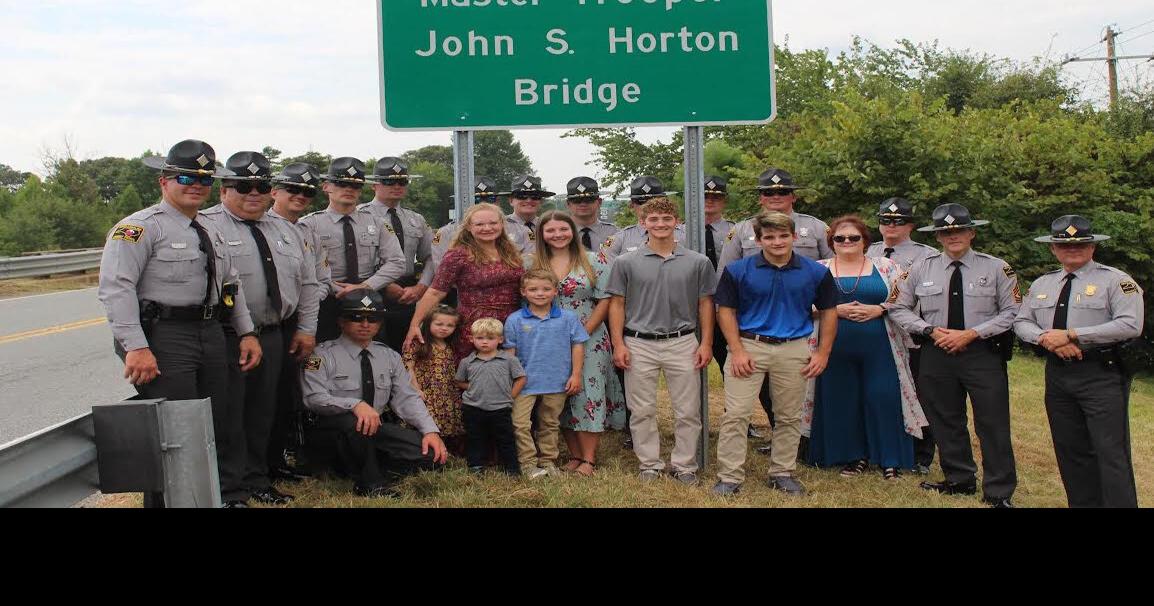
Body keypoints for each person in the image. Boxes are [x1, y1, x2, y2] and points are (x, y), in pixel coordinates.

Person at [97, 139, 263, 508]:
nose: (196, 185)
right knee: (171, 431)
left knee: (213, 423)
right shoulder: (138, 229)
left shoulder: (210, 228)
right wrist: (136, 347)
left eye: (204, 179)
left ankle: (209, 498)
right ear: (164, 181)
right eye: (186, 177)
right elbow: (116, 289)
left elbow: (230, 286)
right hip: (164, 335)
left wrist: (247, 332)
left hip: (209, 332)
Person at [200, 151, 322, 506]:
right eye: (243, 185)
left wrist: (306, 329)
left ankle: (259, 476)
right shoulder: (207, 226)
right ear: (224, 190)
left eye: (262, 185)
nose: (253, 193)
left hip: (275, 331)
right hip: (227, 336)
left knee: (265, 411)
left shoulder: (287, 230)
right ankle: (230, 486)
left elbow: (309, 285)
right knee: (230, 414)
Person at [888, 203, 1021, 508]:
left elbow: (1013, 312)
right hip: (936, 351)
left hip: (983, 353)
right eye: (946, 232)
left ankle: (999, 492)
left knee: (992, 422)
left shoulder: (998, 268)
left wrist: (973, 333)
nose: (953, 236)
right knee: (945, 419)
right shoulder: (921, 268)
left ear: (972, 232)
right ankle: (959, 479)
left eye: (959, 230)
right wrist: (929, 330)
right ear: (938, 237)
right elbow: (897, 307)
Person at [1014, 215, 1144, 508]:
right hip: (1058, 376)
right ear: (1053, 249)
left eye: (1081, 244)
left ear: (1092, 246)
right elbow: (1022, 322)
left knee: (1111, 452)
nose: (1073, 250)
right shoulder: (1042, 284)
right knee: (1070, 450)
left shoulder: (1117, 281)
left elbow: (1130, 325)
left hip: (1101, 374)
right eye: (1064, 245)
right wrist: (1046, 339)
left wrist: (1073, 335)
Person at [711, 211, 838, 497]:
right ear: (758, 240)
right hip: (749, 346)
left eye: (783, 236)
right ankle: (729, 477)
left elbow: (830, 313)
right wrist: (737, 349)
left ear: (794, 236)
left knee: (789, 415)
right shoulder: (738, 270)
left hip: (794, 347)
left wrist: (822, 353)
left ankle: (782, 473)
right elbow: (726, 311)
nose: (777, 242)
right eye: (769, 237)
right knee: (737, 414)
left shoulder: (815, 272)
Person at [806, 216, 927, 480]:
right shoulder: (817, 269)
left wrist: (880, 308)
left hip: (881, 346)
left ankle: (890, 458)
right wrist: (834, 310)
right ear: (832, 243)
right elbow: (801, 305)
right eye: (840, 238)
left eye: (853, 238)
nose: (847, 242)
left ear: (865, 241)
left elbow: (908, 300)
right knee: (843, 400)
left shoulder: (887, 267)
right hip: (833, 348)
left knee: (883, 397)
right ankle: (853, 456)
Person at [606, 197, 715, 486]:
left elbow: (706, 304)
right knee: (642, 409)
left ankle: (685, 465)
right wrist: (619, 344)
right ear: (643, 224)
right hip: (639, 341)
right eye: (653, 219)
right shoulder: (625, 262)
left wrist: (705, 343)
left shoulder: (698, 262)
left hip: (682, 340)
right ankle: (650, 464)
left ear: (677, 222)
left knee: (688, 409)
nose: (660, 224)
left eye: (666, 219)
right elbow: (616, 304)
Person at [300, 290, 447, 498]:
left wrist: (430, 431)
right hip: (333, 432)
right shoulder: (320, 355)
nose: (365, 324)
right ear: (341, 321)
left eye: (373, 318)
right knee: (353, 422)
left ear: (380, 324)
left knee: (430, 456)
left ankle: (361, 467)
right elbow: (312, 398)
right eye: (356, 317)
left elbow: (407, 398)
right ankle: (371, 483)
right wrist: (355, 405)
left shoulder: (389, 356)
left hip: (373, 430)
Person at [529, 210, 626, 476]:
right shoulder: (533, 264)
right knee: (559, 395)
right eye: (550, 230)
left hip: (589, 336)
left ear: (572, 231)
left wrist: (583, 331)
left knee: (587, 394)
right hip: (548, 340)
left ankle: (589, 459)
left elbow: (605, 299)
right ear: (542, 235)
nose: (557, 234)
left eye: (563, 229)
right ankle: (573, 454)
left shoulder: (594, 260)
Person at [866, 197, 939, 473]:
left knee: (919, 393)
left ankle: (921, 454)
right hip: (874, 333)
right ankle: (880, 445)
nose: (891, 226)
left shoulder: (927, 255)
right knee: (882, 391)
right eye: (885, 220)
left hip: (910, 333)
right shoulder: (868, 249)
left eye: (898, 221)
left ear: (911, 225)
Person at [266, 162, 329, 481]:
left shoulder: (309, 232)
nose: (300, 196)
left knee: (287, 395)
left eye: (307, 191)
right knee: (262, 400)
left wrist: (307, 317)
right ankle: (260, 466)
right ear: (274, 191)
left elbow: (321, 279)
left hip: (299, 322)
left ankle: (280, 461)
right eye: (293, 189)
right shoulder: (262, 225)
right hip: (264, 326)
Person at [299, 157, 405, 342]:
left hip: (369, 299)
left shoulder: (378, 223)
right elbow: (304, 267)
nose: (349, 189)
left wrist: (365, 286)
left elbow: (397, 262)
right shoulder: (309, 224)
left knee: (372, 354)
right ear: (326, 187)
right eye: (341, 183)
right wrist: (334, 288)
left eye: (355, 186)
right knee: (323, 354)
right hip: (327, 300)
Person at [406, 203, 526, 360]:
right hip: (475, 328)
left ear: (502, 224)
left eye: (493, 223)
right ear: (469, 227)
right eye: (480, 224)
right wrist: (415, 325)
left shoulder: (510, 252)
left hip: (512, 325)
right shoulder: (458, 256)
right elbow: (435, 292)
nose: (487, 228)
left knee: (512, 374)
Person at [503, 269, 589, 478]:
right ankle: (528, 463)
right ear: (523, 292)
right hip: (524, 383)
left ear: (555, 291)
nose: (539, 293)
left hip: (556, 381)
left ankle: (547, 461)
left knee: (550, 423)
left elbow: (577, 346)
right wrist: (509, 380)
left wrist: (575, 374)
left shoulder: (567, 318)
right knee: (520, 423)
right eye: (533, 289)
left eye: (545, 289)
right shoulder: (514, 320)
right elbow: (509, 353)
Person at [361, 158, 433, 353]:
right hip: (372, 291)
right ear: (374, 185)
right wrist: (385, 284)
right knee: (373, 350)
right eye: (389, 182)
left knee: (409, 351)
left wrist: (421, 286)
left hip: (410, 293)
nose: (396, 186)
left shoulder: (416, 219)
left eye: (402, 182)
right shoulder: (359, 216)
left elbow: (431, 257)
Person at [420, 177, 534, 300]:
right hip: (461, 297)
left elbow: (530, 265)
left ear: (498, 201)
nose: (483, 204)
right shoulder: (445, 233)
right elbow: (441, 272)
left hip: (511, 295)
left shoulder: (521, 230)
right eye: (476, 200)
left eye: (490, 199)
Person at [455, 318, 526, 475]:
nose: (485, 342)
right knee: (475, 438)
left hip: (500, 407)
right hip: (473, 407)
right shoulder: (467, 362)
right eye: (480, 338)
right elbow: (459, 381)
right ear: (472, 339)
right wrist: (474, 386)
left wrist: (511, 395)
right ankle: (475, 466)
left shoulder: (509, 360)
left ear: (500, 339)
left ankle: (512, 469)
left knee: (506, 439)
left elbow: (521, 378)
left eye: (490, 338)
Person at [402, 305, 466, 455]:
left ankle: (447, 452)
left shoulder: (450, 345)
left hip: (447, 393)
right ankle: (430, 451)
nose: (444, 328)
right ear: (429, 322)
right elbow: (408, 367)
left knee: (448, 421)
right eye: (439, 324)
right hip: (427, 392)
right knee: (429, 420)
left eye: (450, 325)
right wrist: (416, 389)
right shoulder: (418, 343)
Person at [601, 176, 686, 258]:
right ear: (631, 204)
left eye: (654, 201)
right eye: (641, 202)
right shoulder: (617, 239)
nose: (648, 206)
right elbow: (606, 268)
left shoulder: (686, 234)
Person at [565, 176, 620, 252]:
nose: (583, 204)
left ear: (599, 202)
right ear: (568, 204)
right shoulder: (559, 233)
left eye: (588, 200)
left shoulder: (614, 233)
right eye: (576, 200)